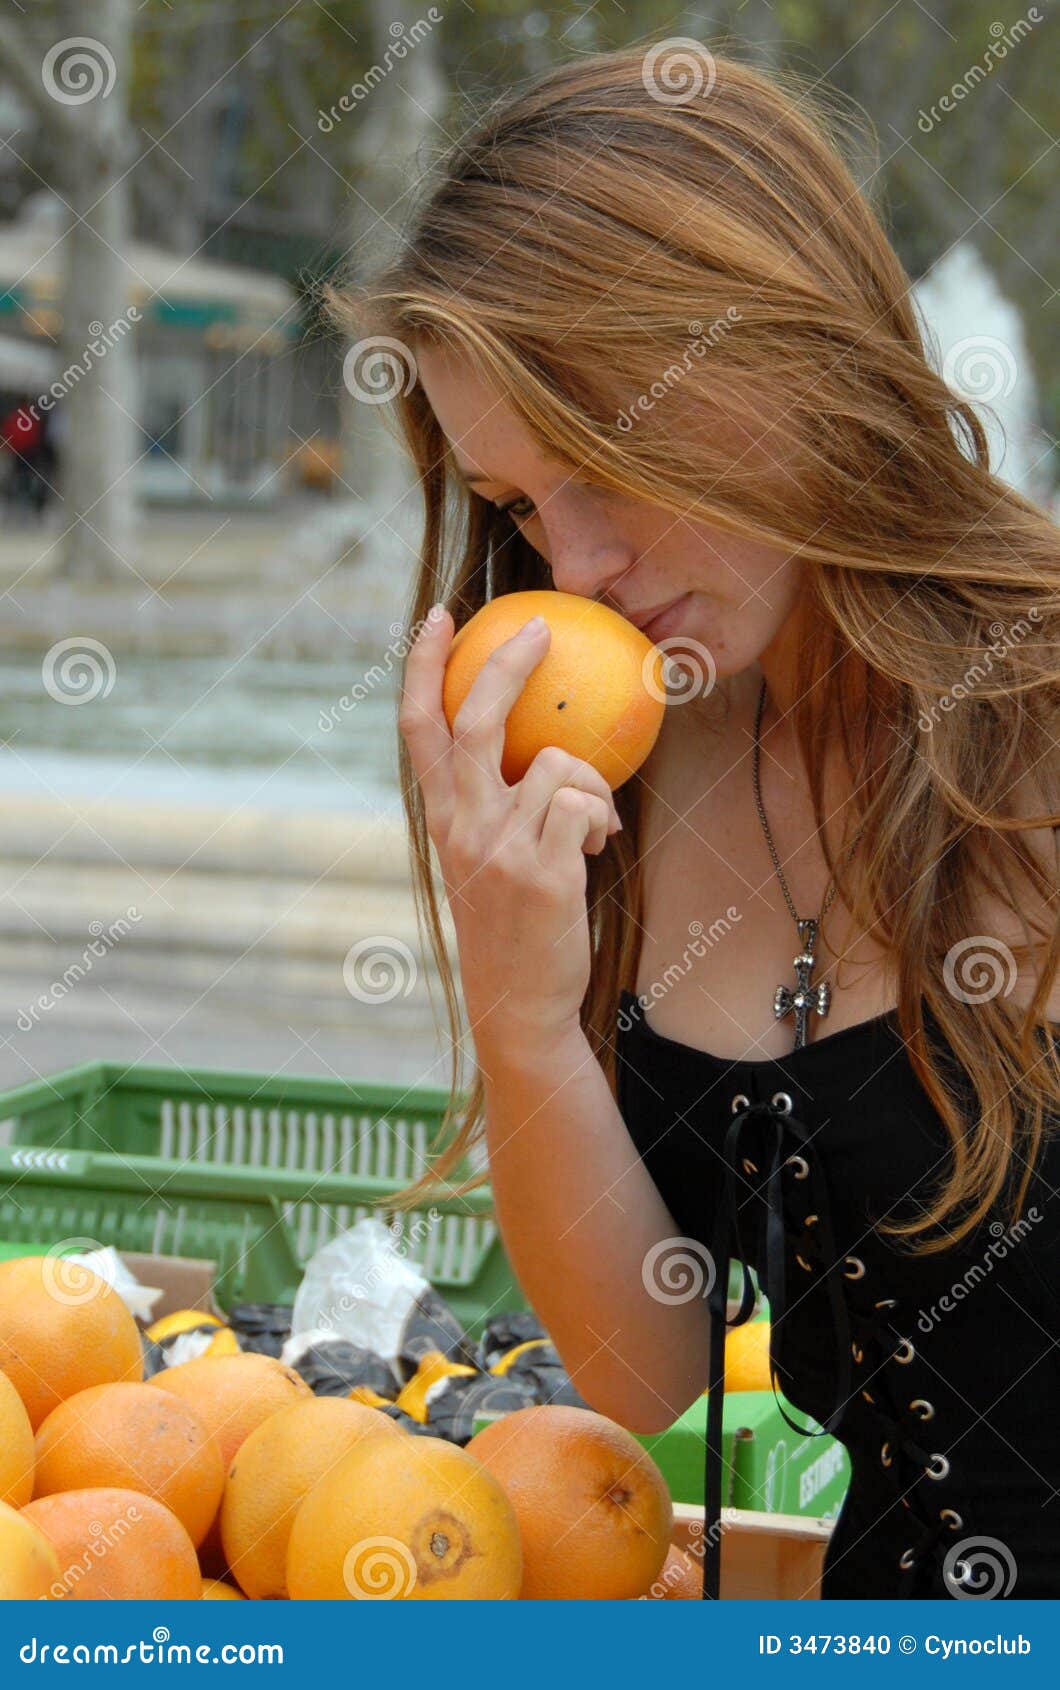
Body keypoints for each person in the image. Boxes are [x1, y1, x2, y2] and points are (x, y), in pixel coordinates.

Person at [329, 48, 1060, 1599]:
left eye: (609, 459)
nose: (573, 562)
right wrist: (526, 1015)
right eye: (521, 501)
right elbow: (650, 1373)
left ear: (787, 344)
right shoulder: (619, 763)